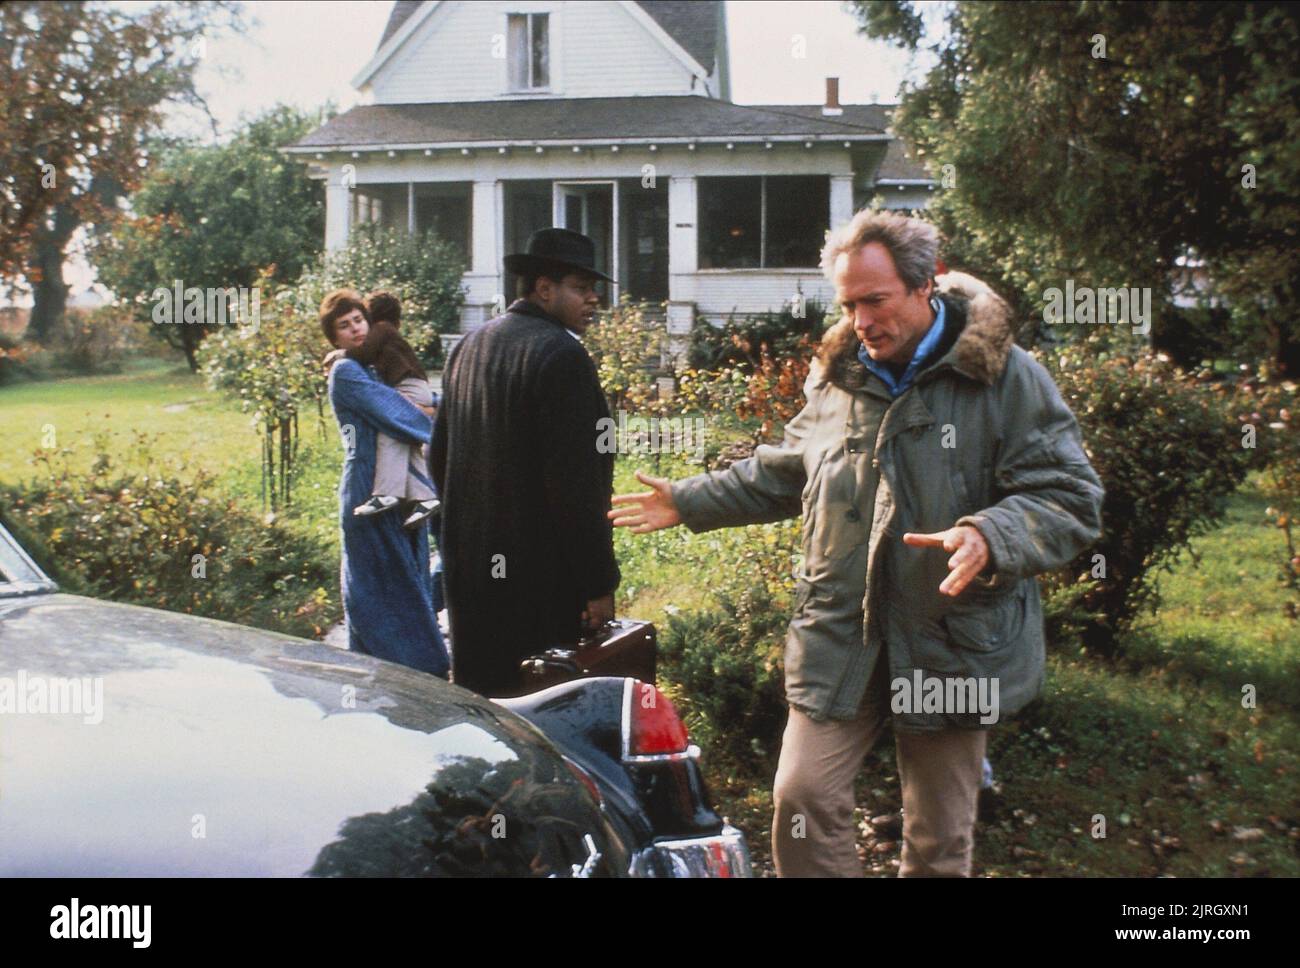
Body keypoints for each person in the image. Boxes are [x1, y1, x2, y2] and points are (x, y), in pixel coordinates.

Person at [609, 210, 1104, 877]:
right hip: (840, 635)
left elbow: (1070, 497)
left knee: (937, 836)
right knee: (802, 798)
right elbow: (786, 472)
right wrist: (691, 498)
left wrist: (991, 533)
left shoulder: (1005, 378)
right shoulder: (839, 378)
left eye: (877, 300)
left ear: (926, 284)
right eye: (848, 303)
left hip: (951, 642)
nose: (862, 320)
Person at [429, 228, 620, 697]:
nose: (594, 299)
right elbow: (578, 486)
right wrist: (598, 583)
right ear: (544, 288)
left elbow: (439, 460)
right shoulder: (562, 356)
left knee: (482, 715)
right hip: (539, 586)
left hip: (472, 576)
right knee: (544, 721)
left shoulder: (468, 346)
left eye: (595, 288)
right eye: (581, 287)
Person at [321, 288, 449, 678]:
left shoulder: (371, 365)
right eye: (344, 327)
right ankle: (420, 670)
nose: (355, 330)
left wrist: (447, 400)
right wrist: (434, 417)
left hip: (403, 486)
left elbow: (411, 394)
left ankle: (378, 673)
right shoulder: (346, 372)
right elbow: (397, 412)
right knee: (380, 582)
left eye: (358, 320)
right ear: (335, 337)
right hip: (366, 486)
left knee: (408, 571)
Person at [347, 290, 440, 530]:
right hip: (417, 386)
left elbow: (365, 352)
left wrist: (342, 354)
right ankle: (426, 497)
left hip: (408, 385)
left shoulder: (382, 328)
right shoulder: (390, 332)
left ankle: (387, 492)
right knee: (406, 441)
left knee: (390, 432)